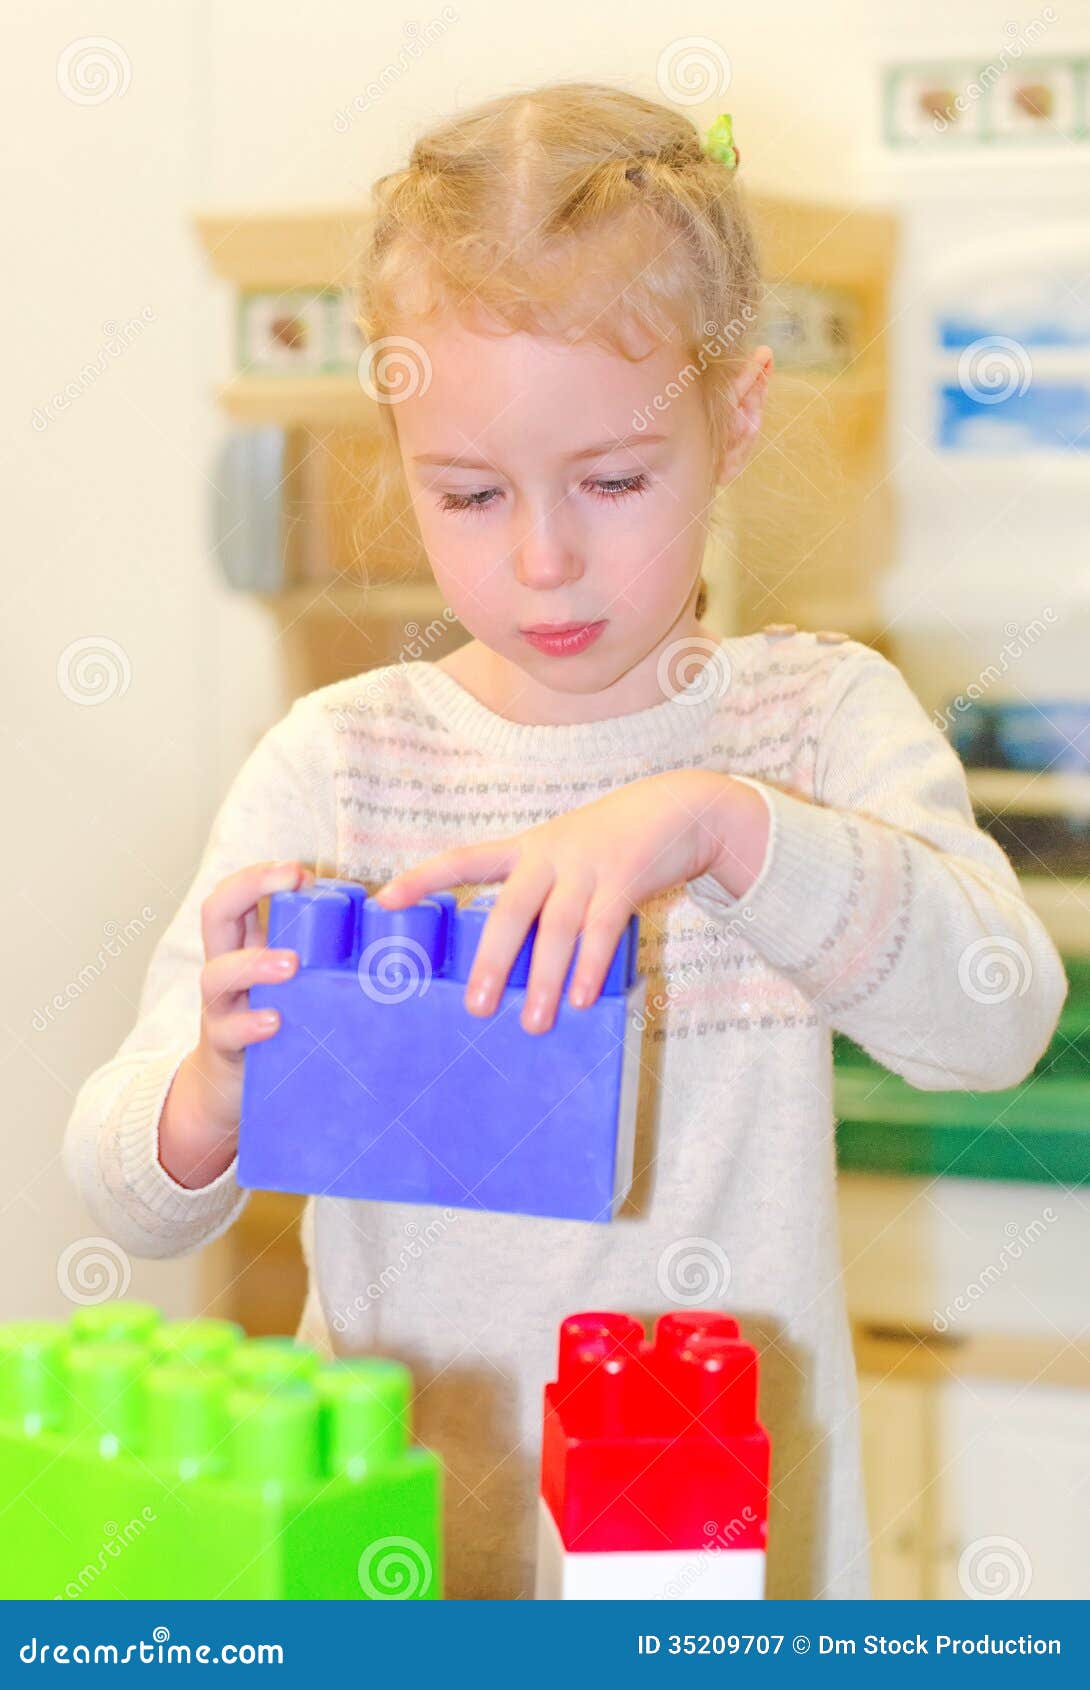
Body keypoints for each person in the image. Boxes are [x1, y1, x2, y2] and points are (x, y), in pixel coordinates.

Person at [64, 81, 1066, 1600]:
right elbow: (126, 1195)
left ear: (733, 415)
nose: (541, 557)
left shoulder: (809, 729)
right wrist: (210, 1085)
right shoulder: (344, 766)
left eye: (611, 480)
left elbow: (997, 1016)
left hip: (717, 1578)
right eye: (467, 492)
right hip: (406, 1575)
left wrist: (725, 829)